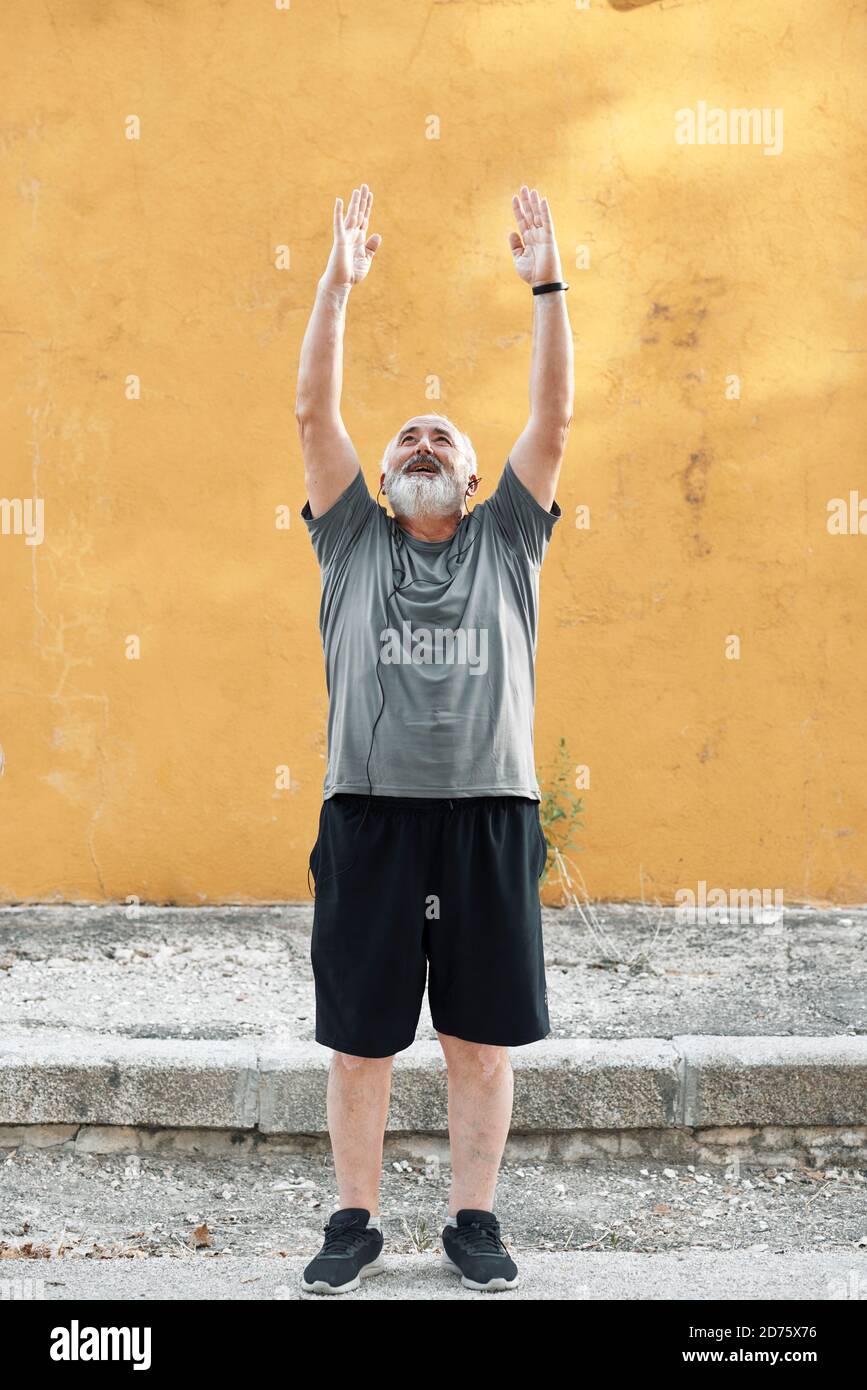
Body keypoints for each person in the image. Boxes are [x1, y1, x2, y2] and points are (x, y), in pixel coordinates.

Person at [295, 182, 573, 1294]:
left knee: (477, 1039)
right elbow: (315, 417)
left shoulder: (510, 538)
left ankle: (474, 1222)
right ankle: (354, 1221)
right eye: (403, 432)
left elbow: (552, 420)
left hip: (489, 816)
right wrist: (337, 284)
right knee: (361, 1041)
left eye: (440, 435)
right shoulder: (350, 539)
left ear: (468, 476)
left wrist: (549, 284)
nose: (417, 439)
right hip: (367, 816)